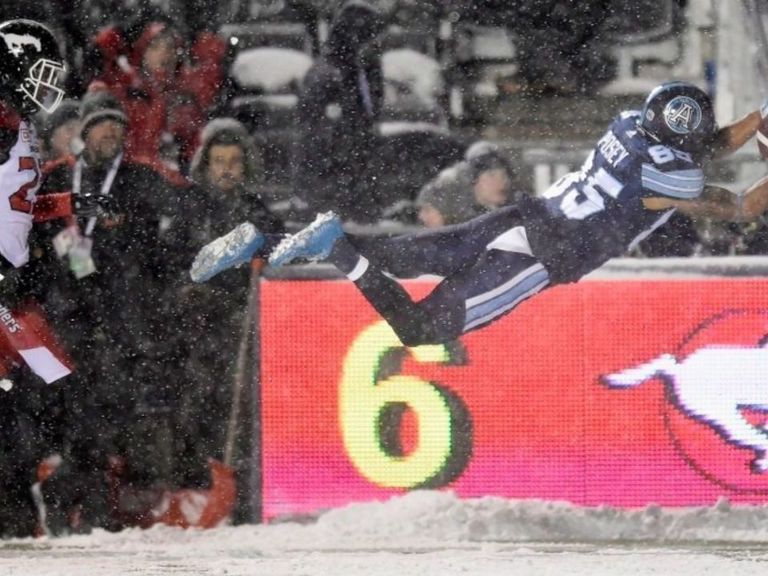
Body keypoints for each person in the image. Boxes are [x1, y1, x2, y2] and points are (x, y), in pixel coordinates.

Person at [192, 81, 768, 347]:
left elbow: (704, 143)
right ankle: (335, 248)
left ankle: (270, 239)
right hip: (543, 256)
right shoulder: (676, 174)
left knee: (396, 252)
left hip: (526, 216)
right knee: (419, 330)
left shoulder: (625, 122)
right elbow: (738, 202)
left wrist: (760, 118)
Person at [32, 90, 187, 534]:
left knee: (109, 411)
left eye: (117, 127)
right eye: (101, 125)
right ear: (84, 132)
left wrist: (142, 261)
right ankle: (88, 504)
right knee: (85, 409)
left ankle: (70, 493)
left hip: (122, 315)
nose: (110, 133)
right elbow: (26, 226)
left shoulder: (138, 178)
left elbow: (169, 230)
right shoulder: (59, 177)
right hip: (68, 313)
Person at [174, 118, 284, 490]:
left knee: (238, 402)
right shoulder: (188, 209)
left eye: (234, 161)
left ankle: (238, 479)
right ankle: (195, 480)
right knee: (193, 403)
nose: (226, 168)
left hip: (240, 324)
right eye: (219, 160)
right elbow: (170, 260)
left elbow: (277, 259)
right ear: (206, 165)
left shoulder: (260, 213)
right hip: (193, 325)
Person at [293, 0, 386, 222]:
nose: (376, 45)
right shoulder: (328, 75)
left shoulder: (359, 70)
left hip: (355, 180)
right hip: (335, 188)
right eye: (370, 37)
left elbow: (369, 115)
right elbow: (317, 140)